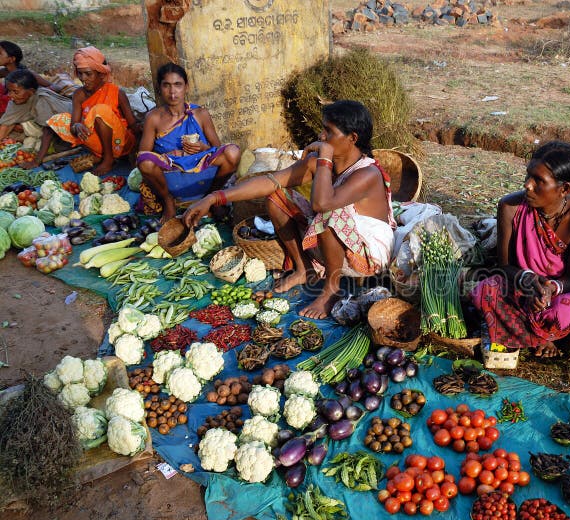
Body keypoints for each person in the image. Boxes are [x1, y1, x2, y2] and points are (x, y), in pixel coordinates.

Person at [184, 100, 395, 319]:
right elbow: (271, 181)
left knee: (328, 211)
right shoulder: (322, 163)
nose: (322, 136)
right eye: (323, 129)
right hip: (336, 242)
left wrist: (323, 157)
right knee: (276, 196)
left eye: (329, 131)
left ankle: (331, 289)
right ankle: (304, 269)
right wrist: (214, 197)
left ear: (352, 138)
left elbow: (322, 204)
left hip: (368, 255)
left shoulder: (367, 174)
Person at [471, 140, 570, 358]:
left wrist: (551, 289)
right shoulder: (510, 207)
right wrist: (527, 279)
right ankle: (547, 336)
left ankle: (546, 335)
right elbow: (504, 266)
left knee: (566, 310)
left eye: (538, 180)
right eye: (528, 176)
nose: (527, 185)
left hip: (562, 290)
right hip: (521, 286)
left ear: (564, 189)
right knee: (485, 290)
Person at [136, 63, 241, 222]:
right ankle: (168, 201)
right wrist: (168, 155)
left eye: (178, 85)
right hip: (171, 173)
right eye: (167, 85)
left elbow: (217, 148)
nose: (172, 92)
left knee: (232, 152)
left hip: (202, 167)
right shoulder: (154, 118)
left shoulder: (200, 113)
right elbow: (143, 156)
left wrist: (203, 148)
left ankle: (211, 198)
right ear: (159, 88)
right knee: (145, 162)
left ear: (186, 87)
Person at [30, 46, 138, 174]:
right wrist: (77, 126)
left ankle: (108, 160)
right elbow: (74, 124)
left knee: (100, 111)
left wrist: (137, 151)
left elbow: (133, 124)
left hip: (120, 143)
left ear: (101, 73)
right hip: (95, 143)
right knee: (55, 121)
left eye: (88, 74)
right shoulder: (79, 94)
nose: (83, 78)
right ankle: (37, 161)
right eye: (80, 73)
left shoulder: (117, 93)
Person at [0, 69, 71, 151]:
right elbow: (6, 124)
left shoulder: (42, 100)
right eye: (9, 91)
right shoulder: (16, 100)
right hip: (43, 129)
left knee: (48, 148)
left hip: (64, 130)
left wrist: (37, 160)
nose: (10, 95)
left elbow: (48, 131)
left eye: (15, 92)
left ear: (31, 91)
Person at [0, 41, 51, 117]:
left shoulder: (26, 74)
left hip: (22, 105)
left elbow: (50, 86)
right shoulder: (4, 72)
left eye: (0, 54)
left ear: (12, 59)